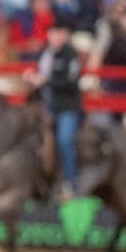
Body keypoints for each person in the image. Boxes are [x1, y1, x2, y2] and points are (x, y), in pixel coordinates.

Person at [31, 18, 83, 198]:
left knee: (64, 140)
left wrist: (45, 81)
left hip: (67, 107)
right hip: (46, 107)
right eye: (53, 32)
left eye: (60, 33)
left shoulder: (71, 55)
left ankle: (70, 183)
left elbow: (71, 81)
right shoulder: (44, 54)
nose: (56, 37)